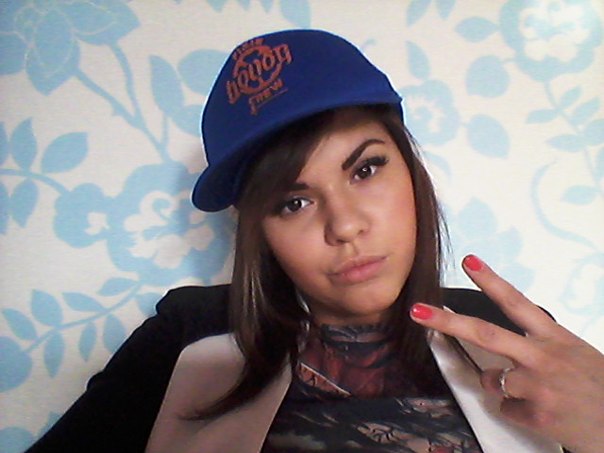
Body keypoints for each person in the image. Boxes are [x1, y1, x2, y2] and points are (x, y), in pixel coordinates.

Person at [25, 29, 603, 453]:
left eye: (365, 170)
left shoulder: (509, 336)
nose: (344, 226)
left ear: (410, 170)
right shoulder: (185, 338)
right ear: (259, 229)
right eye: (293, 202)